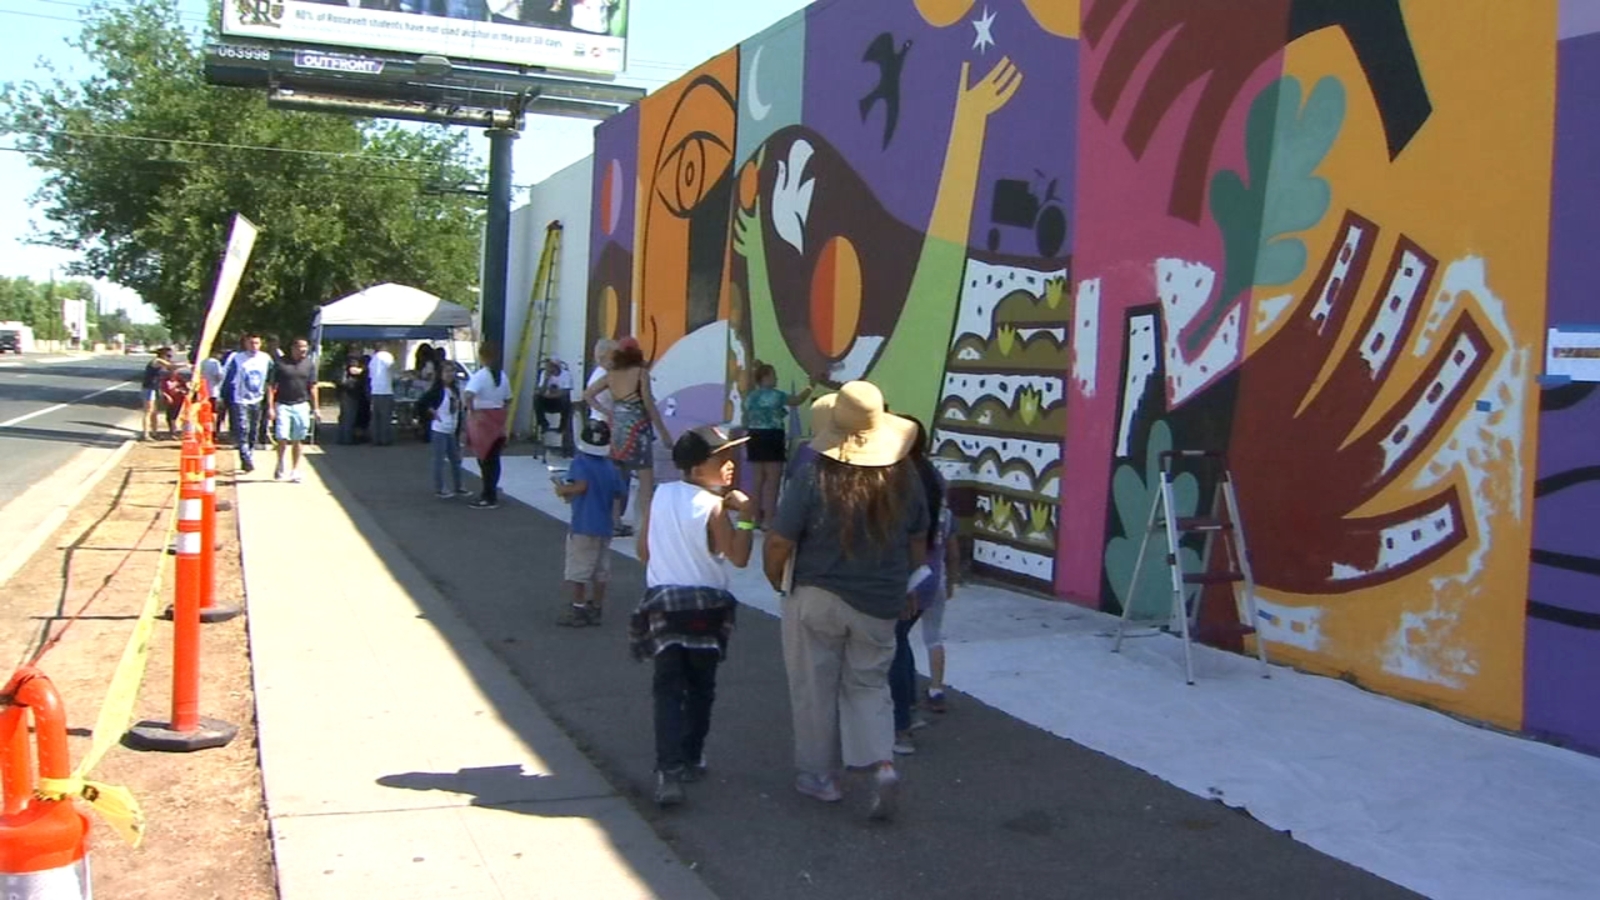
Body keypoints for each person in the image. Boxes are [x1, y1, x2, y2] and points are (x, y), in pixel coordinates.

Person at [762, 382, 927, 821]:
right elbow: (917, 538)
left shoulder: (814, 474)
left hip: (817, 593)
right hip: (880, 598)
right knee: (869, 685)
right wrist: (909, 585)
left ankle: (822, 778)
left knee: (814, 688)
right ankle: (882, 765)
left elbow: (780, 539)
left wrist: (775, 577)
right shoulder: (905, 475)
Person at [628, 426, 754, 808]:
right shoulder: (714, 507)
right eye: (722, 459)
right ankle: (691, 756)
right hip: (705, 611)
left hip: (664, 607)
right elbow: (740, 557)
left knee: (667, 689)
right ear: (699, 469)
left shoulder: (661, 495)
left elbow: (643, 552)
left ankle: (667, 769)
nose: (731, 465)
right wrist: (747, 515)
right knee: (701, 687)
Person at [890, 418, 961, 752]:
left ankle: (901, 723)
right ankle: (909, 710)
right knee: (901, 642)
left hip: (910, 573)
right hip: (932, 572)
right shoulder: (933, 476)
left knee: (893, 645)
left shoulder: (903, 478)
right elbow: (949, 535)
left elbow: (906, 533)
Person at [583, 336, 672, 539]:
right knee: (645, 481)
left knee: (617, 478)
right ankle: (646, 528)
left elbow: (587, 394)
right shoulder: (641, 373)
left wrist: (607, 410)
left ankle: (614, 521)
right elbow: (648, 404)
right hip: (638, 428)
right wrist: (664, 433)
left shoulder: (611, 375)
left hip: (618, 429)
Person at [553, 419, 626, 626]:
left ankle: (578, 608)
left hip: (583, 525)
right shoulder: (610, 467)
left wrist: (563, 490)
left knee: (579, 570)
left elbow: (581, 486)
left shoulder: (580, 462)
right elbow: (619, 492)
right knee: (600, 570)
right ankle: (597, 607)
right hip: (604, 525)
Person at [742, 363, 820, 528]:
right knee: (773, 480)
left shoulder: (751, 397)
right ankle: (769, 520)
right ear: (765, 378)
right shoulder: (776, 395)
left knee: (757, 480)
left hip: (754, 437)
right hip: (772, 437)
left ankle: (754, 518)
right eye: (773, 375)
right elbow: (797, 401)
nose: (776, 379)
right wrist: (810, 386)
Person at [464, 343, 512, 509]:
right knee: (494, 459)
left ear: (482, 356)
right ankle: (491, 492)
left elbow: (468, 394)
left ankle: (487, 495)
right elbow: (508, 399)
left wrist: (471, 410)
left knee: (484, 459)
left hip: (483, 418)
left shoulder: (481, 375)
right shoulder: (502, 376)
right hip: (498, 416)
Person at [268, 337, 319, 483]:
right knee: (282, 437)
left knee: (298, 438)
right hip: (283, 404)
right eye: (300, 347)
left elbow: (313, 386)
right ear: (293, 348)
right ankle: (280, 464)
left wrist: (315, 408)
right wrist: (271, 407)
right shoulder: (280, 363)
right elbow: (271, 387)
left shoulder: (309, 364)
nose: (303, 350)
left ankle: (295, 469)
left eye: (305, 347)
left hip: (301, 405)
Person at [223, 334, 273, 473]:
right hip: (240, 399)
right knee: (242, 428)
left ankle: (249, 453)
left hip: (257, 399)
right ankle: (245, 457)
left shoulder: (266, 358)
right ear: (245, 343)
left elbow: (271, 379)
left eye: (257, 343)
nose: (254, 346)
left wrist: (270, 401)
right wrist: (223, 396)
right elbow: (228, 378)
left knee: (253, 429)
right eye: (251, 343)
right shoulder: (237, 358)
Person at [427, 363, 469, 499]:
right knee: (439, 460)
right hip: (440, 429)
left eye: (452, 371)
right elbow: (423, 403)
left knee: (455, 459)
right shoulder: (436, 390)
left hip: (452, 428)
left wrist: (462, 427)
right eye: (447, 371)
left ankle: (459, 486)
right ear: (440, 374)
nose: (450, 374)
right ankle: (440, 488)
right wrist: (432, 412)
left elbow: (459, 409)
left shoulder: (455, 389)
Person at [534, 358, 575, 456]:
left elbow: (565, 392)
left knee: (566, 400)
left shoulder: (566, 375)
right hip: (547, 401)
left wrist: (550, 395)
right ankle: (543, 423)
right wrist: (546, 379)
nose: (548, 369)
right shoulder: (545, 374)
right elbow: (540, 391)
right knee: (536, 398)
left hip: (560, 402)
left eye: (550, 367)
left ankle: (562, 426)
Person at [140, 347, 178, 441]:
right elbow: (171, 366)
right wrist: (187, 365)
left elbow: (171, 367)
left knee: (154, 412)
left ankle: (154, 432)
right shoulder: (157, 361)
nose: (169, 358)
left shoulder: (160, 363)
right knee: (148, 411)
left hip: (154, 388)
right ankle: (146, 434)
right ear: (162, 355)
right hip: (148, 388)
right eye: (168, 356)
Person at [369, 342, 397, 446]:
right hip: (386, 390)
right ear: (385, 347)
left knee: (376, 417)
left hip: (375, 390)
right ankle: (385, 440)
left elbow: (371, 375)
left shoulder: (373, 359)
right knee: (385, 417)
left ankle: (375, 439)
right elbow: (391, 368)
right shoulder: (387, 356)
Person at [337, 352, 366, 445]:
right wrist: (365, 369)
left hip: (344, 392)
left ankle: (342, 438)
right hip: (350, 392)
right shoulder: (353, 361)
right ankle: (347, 439)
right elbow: (354, 370)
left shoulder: (344, 362)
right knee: (349, 417)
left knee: (345, 417)